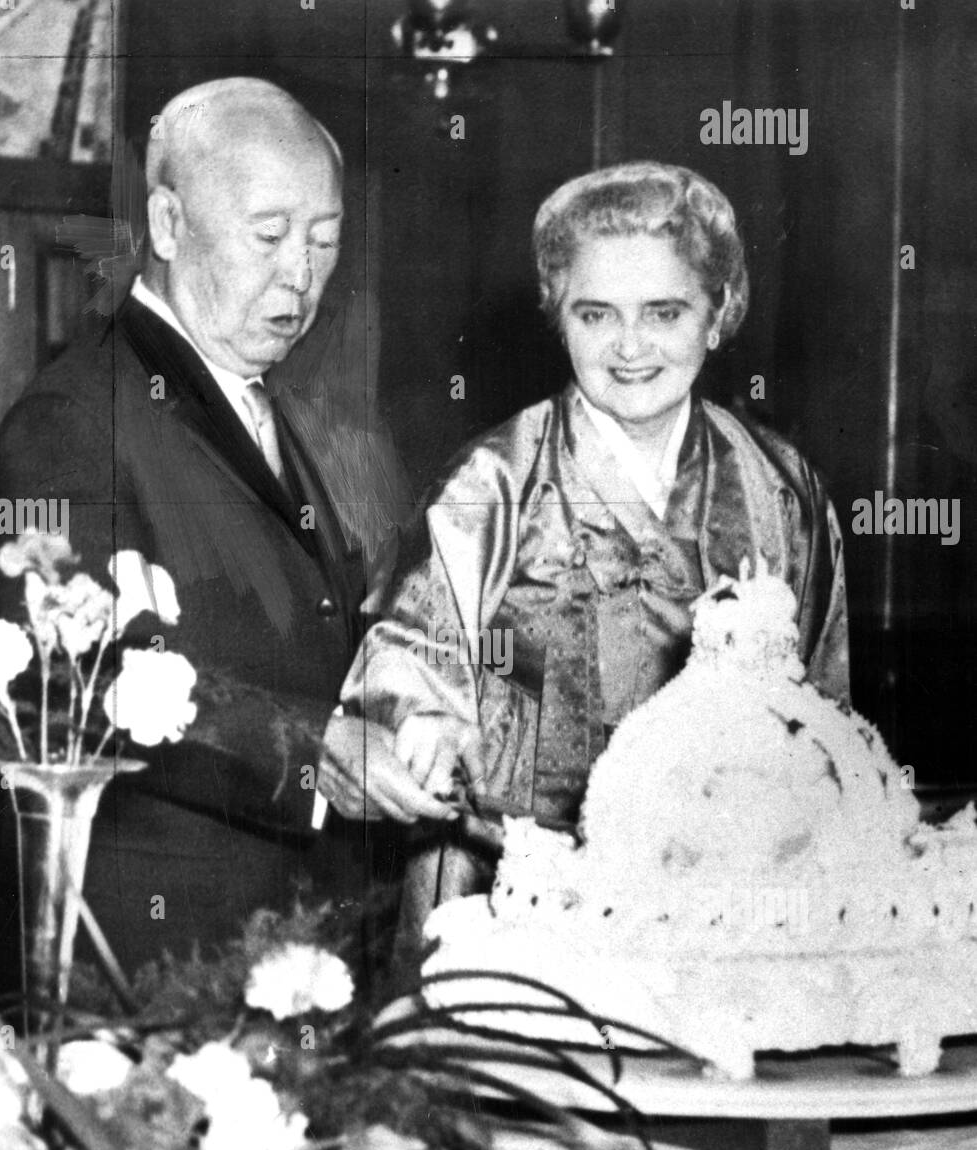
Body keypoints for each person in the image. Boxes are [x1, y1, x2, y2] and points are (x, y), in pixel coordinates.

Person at [0, 78, 445, 986]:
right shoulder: (73, 421)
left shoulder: (281, 406)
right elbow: (87, 680)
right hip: (158, 968)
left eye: (324, 241)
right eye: (268, 236)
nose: (300, 275)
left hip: (291, 952)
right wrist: (317, 755)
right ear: (170, 225)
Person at [329, 161, 850, 936]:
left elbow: (822, 709)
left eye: (664, 313)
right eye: (595, 314)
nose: (629, 346)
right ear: (557, 315)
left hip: (723, 900)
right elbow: (406, 648)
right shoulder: (496, 479)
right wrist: (423, 724)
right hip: (507, 889)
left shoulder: (779, 487)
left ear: (718, 312)